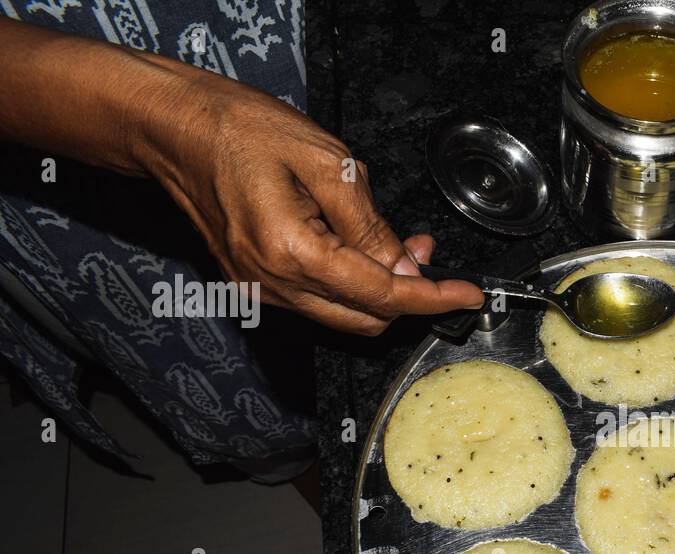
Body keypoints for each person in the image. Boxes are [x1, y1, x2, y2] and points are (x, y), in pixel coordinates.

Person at [0, 8, 483, 481]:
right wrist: (178, 121)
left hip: (305, 47)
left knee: (323, 314)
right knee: (238, 382)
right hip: (60, 138)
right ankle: (291, 467)